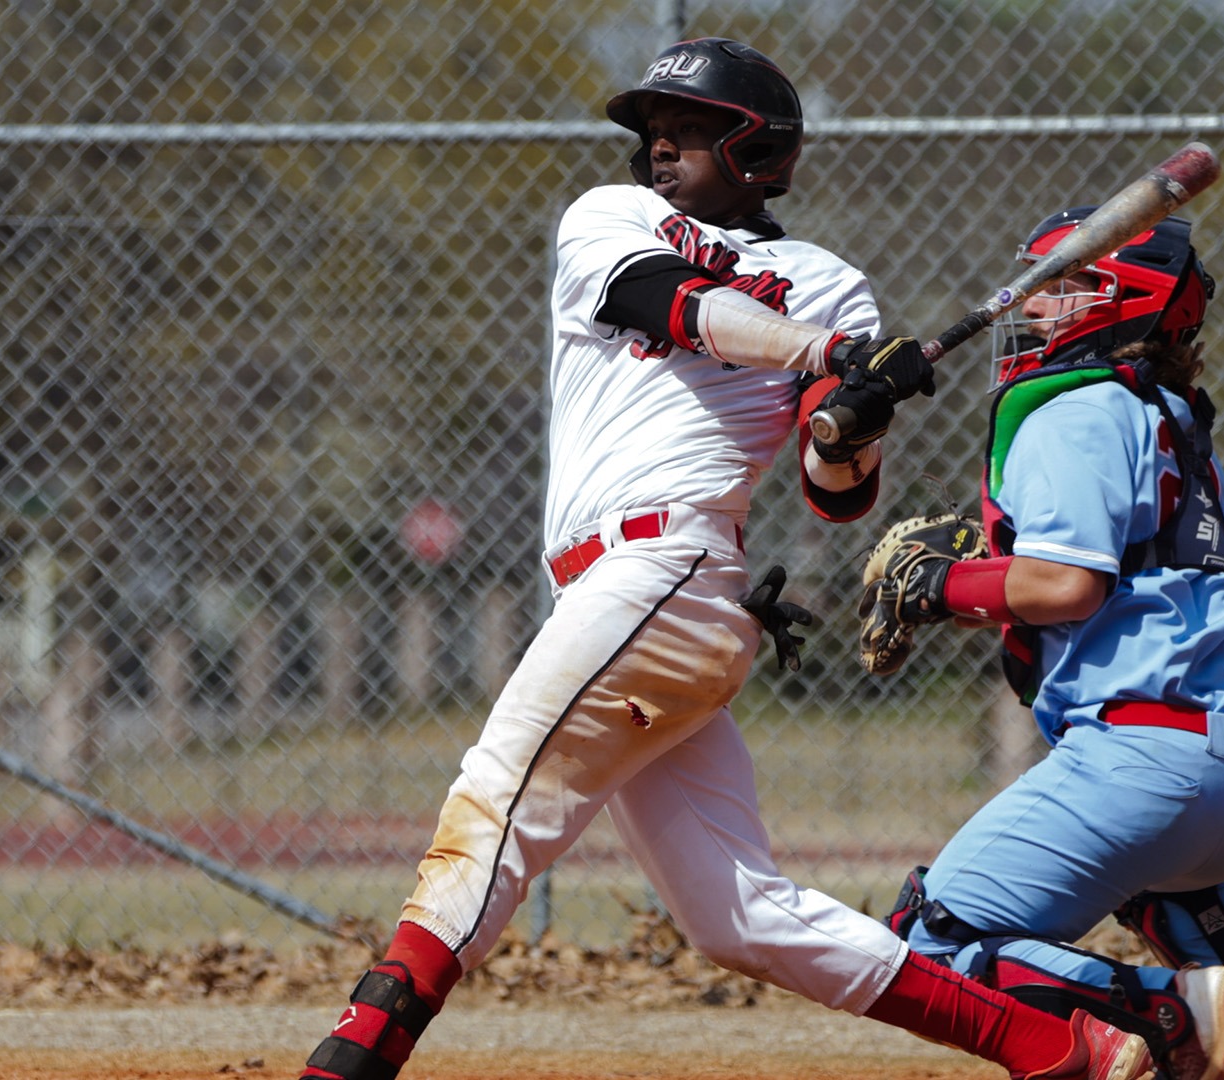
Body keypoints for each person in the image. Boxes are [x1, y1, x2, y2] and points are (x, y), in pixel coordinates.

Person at [297, 39, 1156, 1080]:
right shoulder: (606, 220)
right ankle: (1059, 1047)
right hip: (628, 597)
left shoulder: (832, 288)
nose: (661, 145)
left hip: (665, 574)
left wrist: (849, 419)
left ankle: (350, 1058)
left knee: (497, 799)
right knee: (737, 916)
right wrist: (821, 356)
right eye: (655, 130)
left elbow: (836, 490)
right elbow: (673, 304)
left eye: (692, 130)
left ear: (763, 153)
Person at [858, 209, 1224, 1080]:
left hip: (1144, 765)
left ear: (1128, 305)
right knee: (1148, 865)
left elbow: (1064, 587)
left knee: (926, 946)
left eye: (1068, 288)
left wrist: (936, 586)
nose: (1035, 307)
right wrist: (993, 598)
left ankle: (1173, 1009)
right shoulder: (1175, 418)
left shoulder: (1074, 413)